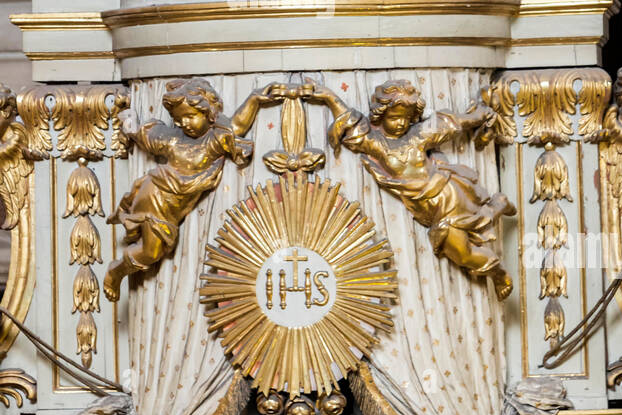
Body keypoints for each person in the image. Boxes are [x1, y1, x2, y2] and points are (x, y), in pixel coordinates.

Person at [304, 78, 516, 298]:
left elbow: (453, 123)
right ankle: (497, 206)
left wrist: (480, 115)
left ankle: (499, 273)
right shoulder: (380, 145)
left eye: (406, 119)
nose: (401, 124)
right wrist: (329, 97)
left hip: (447, 195)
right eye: (394, 118)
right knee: (464, 248)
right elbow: (352, 125)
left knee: (463, 252)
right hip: (427, 208)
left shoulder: (418, 136)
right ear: (380, 115)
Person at [104, 79, 286, 301]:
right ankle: (116, 270)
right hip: (154, 195)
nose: (184, 124)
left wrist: (255, 99)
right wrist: (130, 127)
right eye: (179, 120)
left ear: (208, 112)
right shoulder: (172, 138)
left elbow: (237, 126)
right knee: (151, 252)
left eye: (190, 117)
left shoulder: (213, 140)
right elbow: (145, 137)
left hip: (173, 206)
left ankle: (118, 268)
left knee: (154, 250)